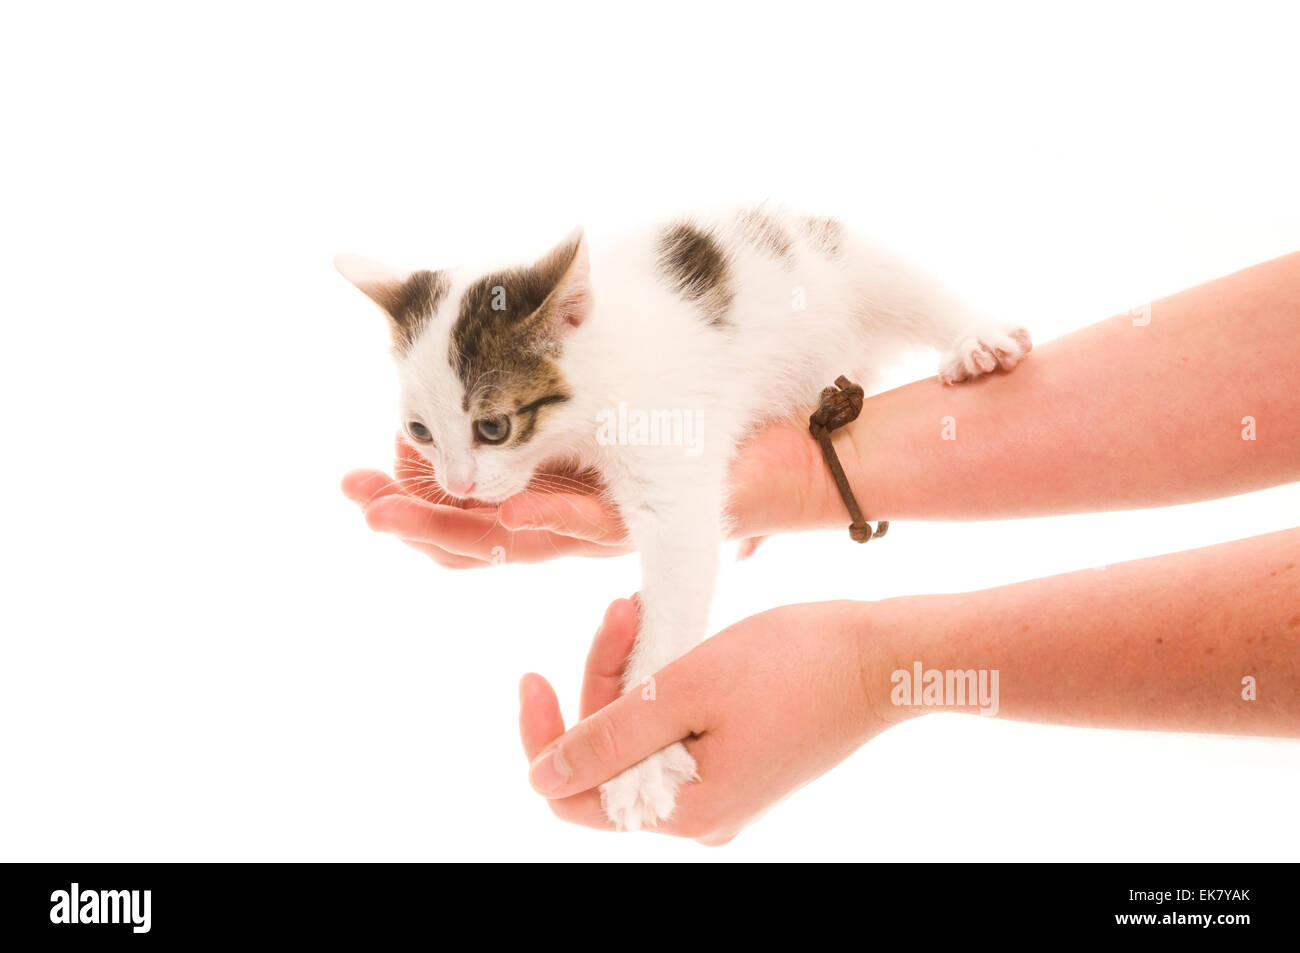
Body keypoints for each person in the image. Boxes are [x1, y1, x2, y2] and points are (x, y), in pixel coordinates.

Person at [342, 252, 1300, 844]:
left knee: (837, 265)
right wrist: (797, 479)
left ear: (574, 319)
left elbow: (678, 524)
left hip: (801, 293)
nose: (454, 482)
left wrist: (661, 700)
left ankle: (952, 319)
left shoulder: (628, 366)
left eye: (491, 433)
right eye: (426, 437)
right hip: (772, 355)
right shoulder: (562, 379)